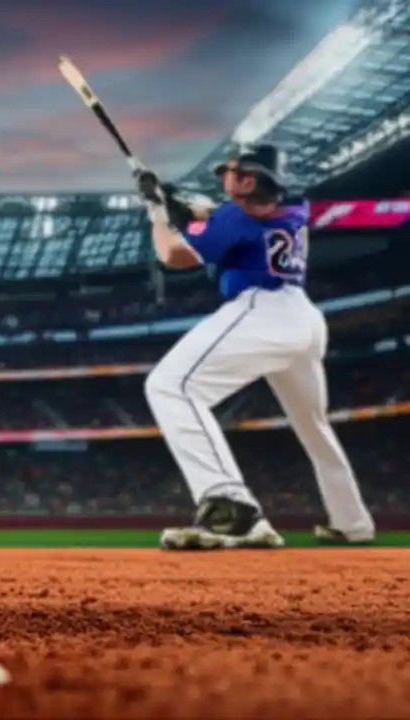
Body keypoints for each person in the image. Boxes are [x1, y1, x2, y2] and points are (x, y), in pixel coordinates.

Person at [137, 144, 375, 550]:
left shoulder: (235, 217)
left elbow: (173, 255)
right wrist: (191, 210)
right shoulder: (294, 208)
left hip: (262, 311)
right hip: (305, 318)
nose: (224, 178)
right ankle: (353, 522)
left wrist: (158, 215)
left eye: (232, 173)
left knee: (169, 386)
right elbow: (238, 219)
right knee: (314, 426)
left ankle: (231, 505)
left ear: (248, 179)